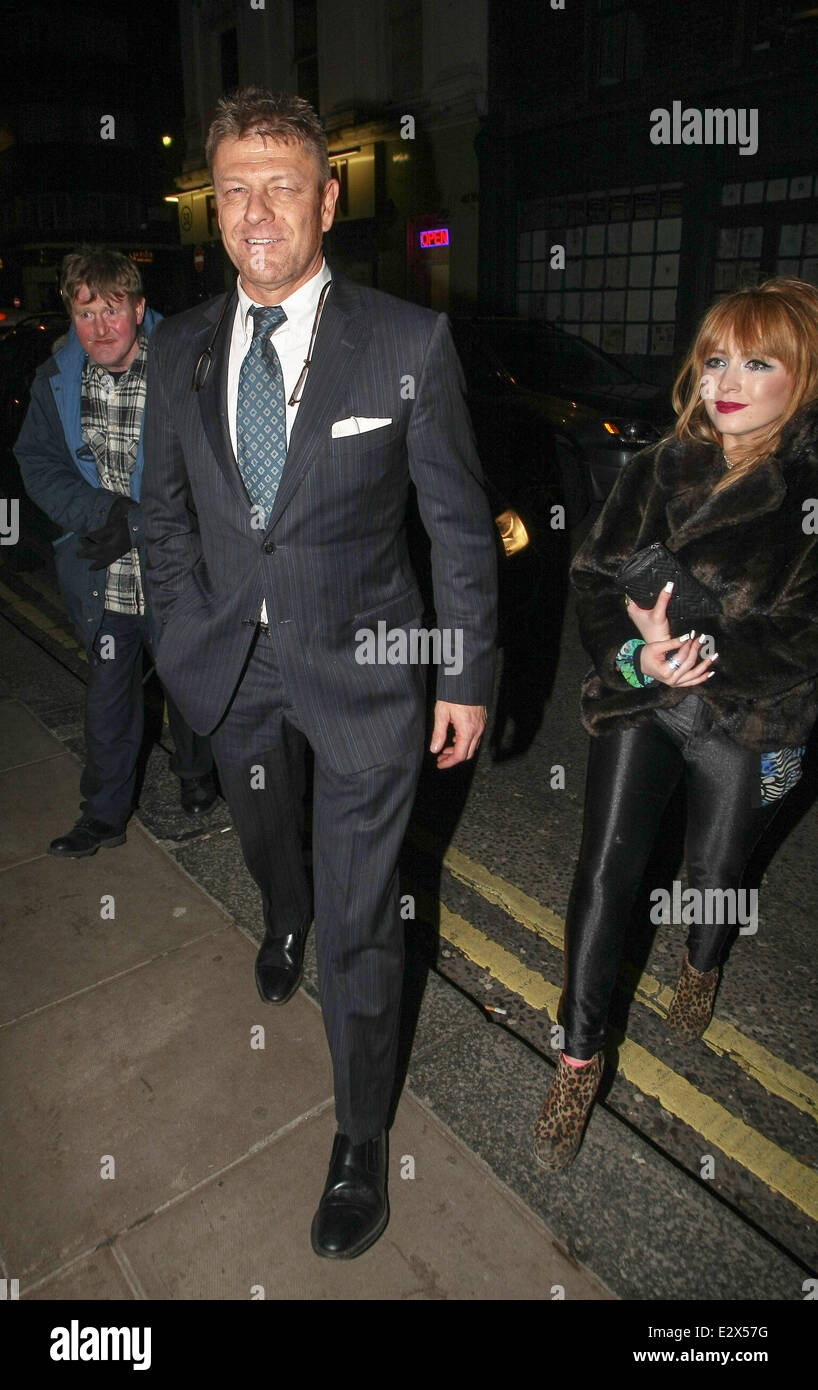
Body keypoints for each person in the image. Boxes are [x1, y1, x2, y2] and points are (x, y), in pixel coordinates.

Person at [140, 89, 497, 1258]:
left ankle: (354, 1137)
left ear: (326, 200)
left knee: (360, 923)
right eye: (232, 186)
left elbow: (455, 527)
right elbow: (163, 516)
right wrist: (184, 630)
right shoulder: (178, 343)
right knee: (265, 848)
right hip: (228, 672)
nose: (254, 211)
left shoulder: (405, 342)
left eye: (280, 185)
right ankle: (278, 908)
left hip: (362, 676)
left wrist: (465, 673)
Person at [532, 276, 818, 1171]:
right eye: (716, 358)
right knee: (607, 868)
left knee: (716, 872)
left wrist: (705, 649)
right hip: (647, 698)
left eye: (758, 361)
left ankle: (701, 961)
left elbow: (807, 634)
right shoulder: (661, 464)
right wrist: (638, 656)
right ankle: (577, 1061)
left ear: (803, 378)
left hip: (746, 719)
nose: (727, 379)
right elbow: (590, 578)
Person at [14, 247, 217, 857]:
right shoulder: (54, 382)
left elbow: (217, 468)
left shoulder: (189, 366)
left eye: (112, 309)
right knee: (108, 693)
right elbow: (38, 463)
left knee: (188, 683)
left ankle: (197, 776)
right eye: (84, 313)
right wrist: (105, 515)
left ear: (138, 308)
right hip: (103, 571)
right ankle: (102, 814)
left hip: (177, 567)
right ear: (69, 318)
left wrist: (145, 522)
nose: (100, 328)